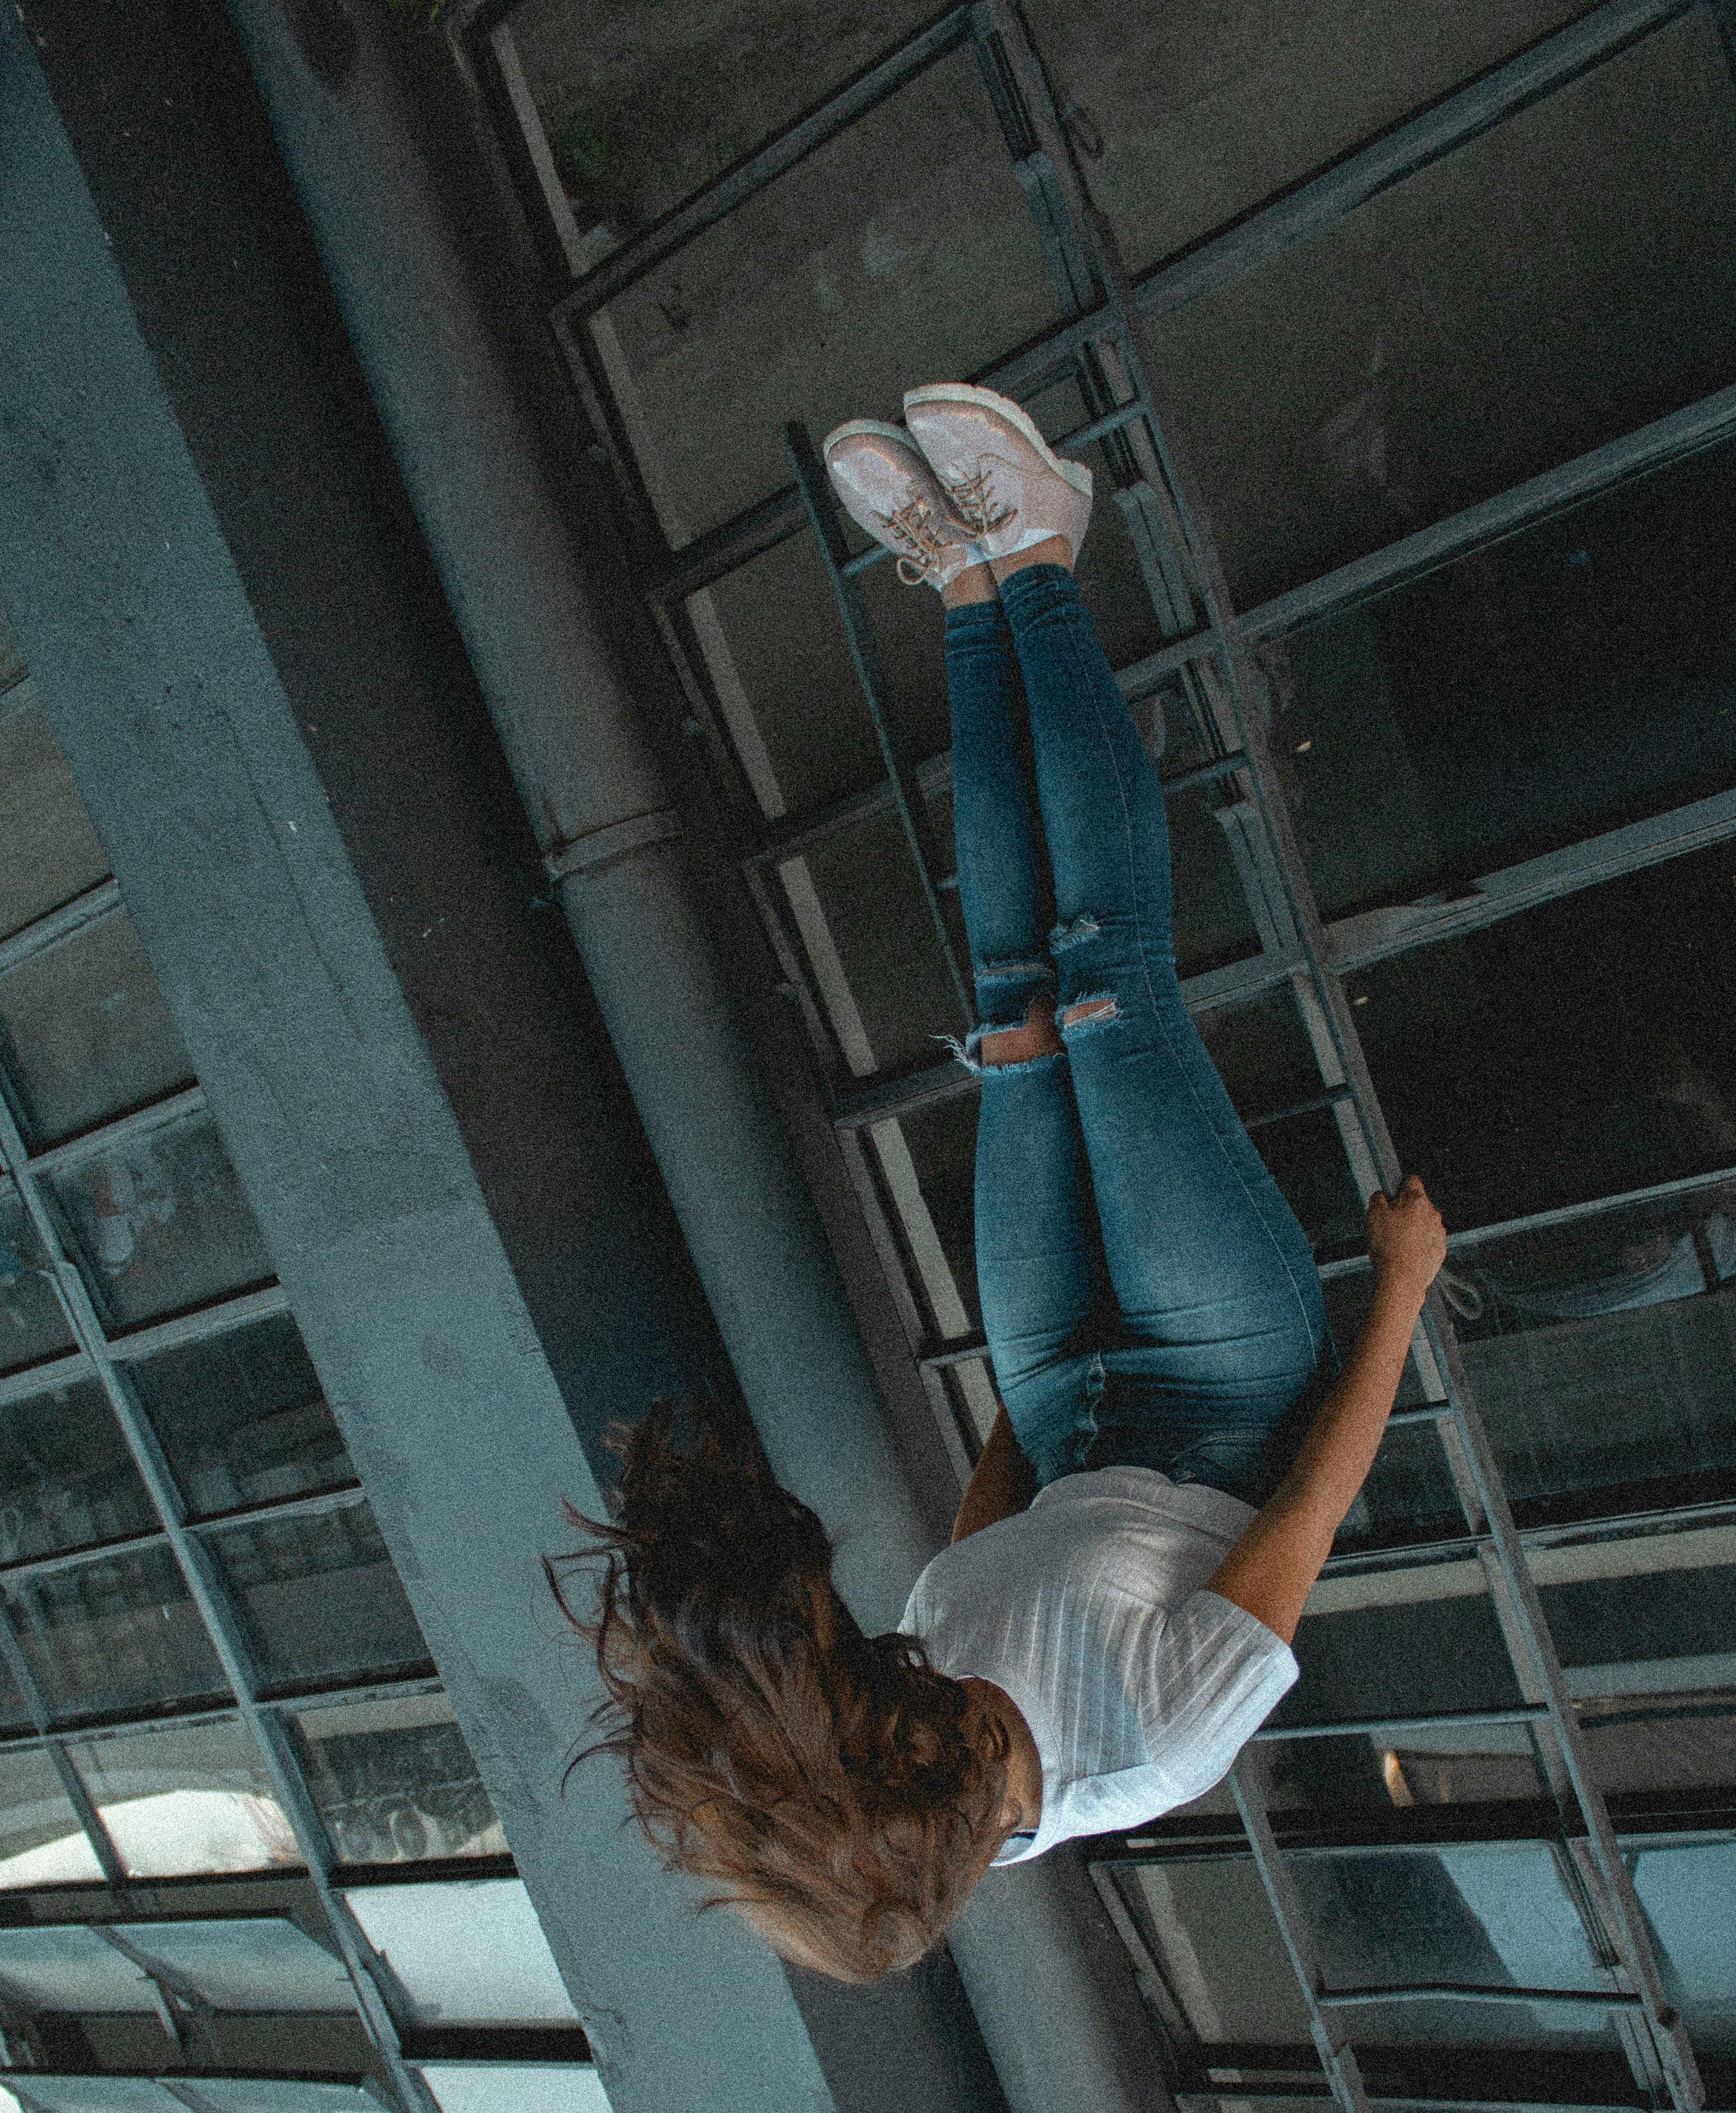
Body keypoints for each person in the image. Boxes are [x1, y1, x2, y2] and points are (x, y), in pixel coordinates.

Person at [562, 385, 1448, 1984]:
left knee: (1013, 1005)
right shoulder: (1159, 1747)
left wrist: (1044, 1330)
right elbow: (1312, 1500)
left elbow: (990, 1526)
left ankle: (959, 587)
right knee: (1112, 990)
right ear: (980, 1810)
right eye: (945, 1699)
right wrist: (1401, 1280)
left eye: (907, 1676)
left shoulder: (899, 1719)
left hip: (1058, 1381)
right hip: (1225, 1384)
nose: (934, 1666)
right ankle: (1039, 541)